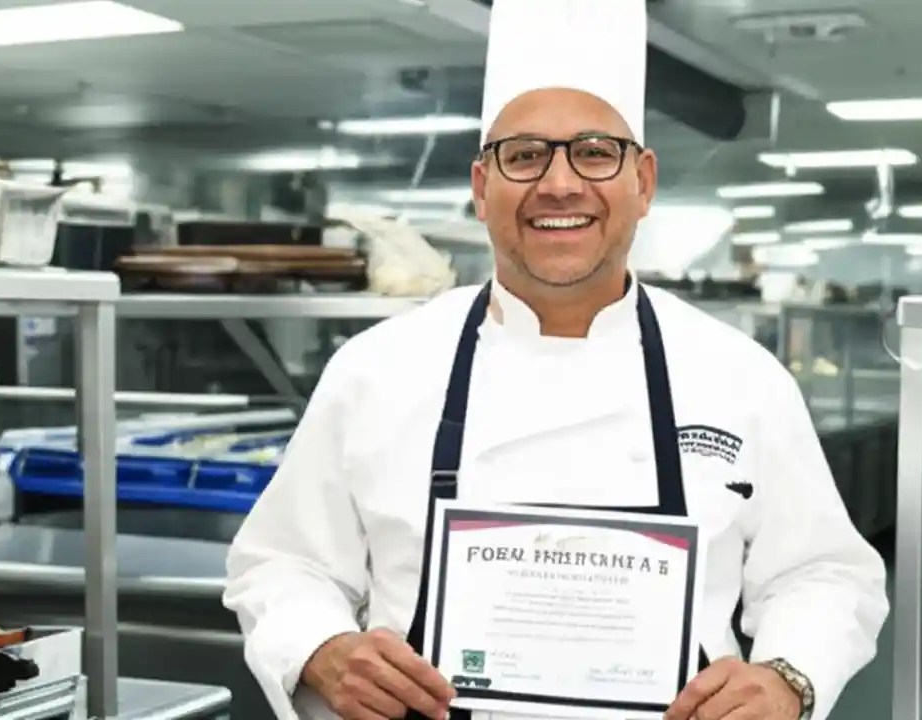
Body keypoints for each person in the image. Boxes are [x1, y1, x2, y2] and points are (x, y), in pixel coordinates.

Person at [223, 1, 888, 719]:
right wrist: (320, 645)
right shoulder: (374, 370)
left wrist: (788, 676)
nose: (561, 184)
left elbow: (824, 572)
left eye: (596, 152)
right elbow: (281, 562)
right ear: (482, 186)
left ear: (644, 183)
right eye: (524, 155)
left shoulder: (740, 376)